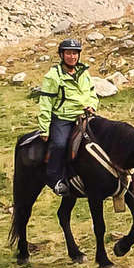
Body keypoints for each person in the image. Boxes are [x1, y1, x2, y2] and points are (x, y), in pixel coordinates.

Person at [36, 37, 99, 195]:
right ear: (62, 55)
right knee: (60, 145)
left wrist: (92, 105)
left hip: (85, 116)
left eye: (75, 53)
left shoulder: (84, 73)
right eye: (69, 53)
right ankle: (55, 178)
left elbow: (92, 93)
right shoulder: (53, 76)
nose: (72, 57)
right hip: (63, 118)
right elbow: (45, 103)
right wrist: (44, 129)